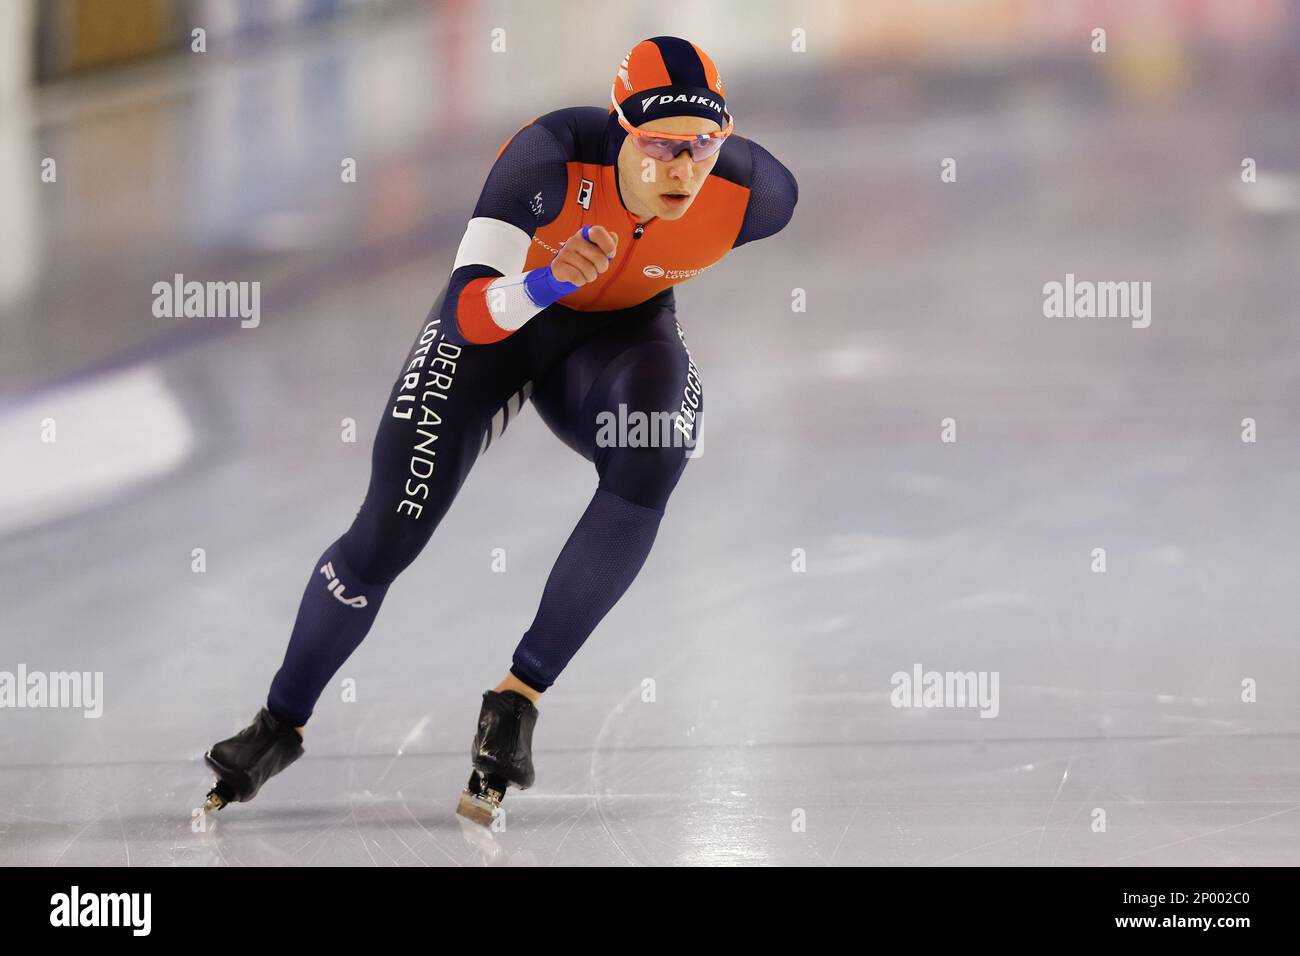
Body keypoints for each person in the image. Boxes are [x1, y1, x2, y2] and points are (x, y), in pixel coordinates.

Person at [202, 36, 798, 826]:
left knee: (655, 451)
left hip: (618, 342)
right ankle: (280, 721)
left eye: (700, 144)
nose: (682, 167)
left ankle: (518, 697)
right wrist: (551, 280)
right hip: (503, 323)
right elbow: (469, 313)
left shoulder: (758, 194)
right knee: (390, 531)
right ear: (622, 130)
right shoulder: (546, 159)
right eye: (659, 146)